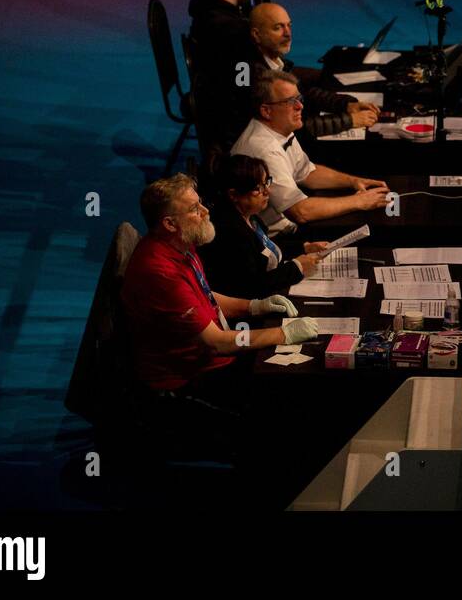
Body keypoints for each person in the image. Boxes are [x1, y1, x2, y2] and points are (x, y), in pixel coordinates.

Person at [120, 173, 318, 457]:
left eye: (200, 203)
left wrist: (254, 306)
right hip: (186, 381)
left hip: (212, 356)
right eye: (194, 209)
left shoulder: (179, 243)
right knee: (289, 397)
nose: (205, 211)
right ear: (169, 223)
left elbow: (206, 296)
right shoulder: (161, 273)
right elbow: (217, 342)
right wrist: (282, 333)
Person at [229, 71, 391, 233]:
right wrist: (359, 201)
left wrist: (353, 181)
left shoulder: (279, 127)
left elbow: (307, 172)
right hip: (276, 238)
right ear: (266, 111)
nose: (300, 106)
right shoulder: (263, 149)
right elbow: (300, 212)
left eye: (299, 99)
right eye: (290, 102)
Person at [198, 154, 331, 300]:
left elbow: (266, 248)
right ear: (233, 194)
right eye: (257, 188)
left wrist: (304, 248)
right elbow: (252, 286)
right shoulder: (229, 232)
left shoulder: (248, 215)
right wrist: (297, 267)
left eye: (266, 182)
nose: (267, 191)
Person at [248, 3, 379, 136]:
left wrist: (347, 105)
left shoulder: (278, 62)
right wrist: (350, 120)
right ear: (257, 34)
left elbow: (306, 93)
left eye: (289, 25)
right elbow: (297, 127)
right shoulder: (257, 77)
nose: (288, 33)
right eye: (278, 28)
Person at [187, 0, 254, 152]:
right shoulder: (232, 30)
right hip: (231, 121)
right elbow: (243, 82)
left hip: (218, 108)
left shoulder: (205, 12)